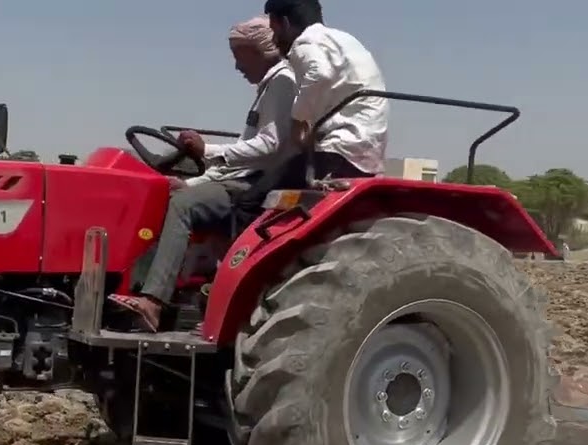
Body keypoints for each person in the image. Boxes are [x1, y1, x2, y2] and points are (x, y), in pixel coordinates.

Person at [108, 16, 297, 333]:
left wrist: (206, 151)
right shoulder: (269, 87)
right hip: (243, 177)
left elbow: (269, 145)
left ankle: (153, 301)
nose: (237, 67)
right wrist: (193, 181)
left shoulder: (282, 82)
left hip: (256, 185)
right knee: (170, 193)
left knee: (184, 205)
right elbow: (244, 153)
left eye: (239, 56)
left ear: (259, 50)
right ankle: (140, 287)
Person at [237, 0, 387, 214]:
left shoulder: (305, 42)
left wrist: (299, 121)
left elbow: (319, 73)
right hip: (367, 151)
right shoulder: (346, 40)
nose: (274, 39)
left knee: (247, 203)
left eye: (274, 30)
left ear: (286, 23)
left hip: (335, 152)